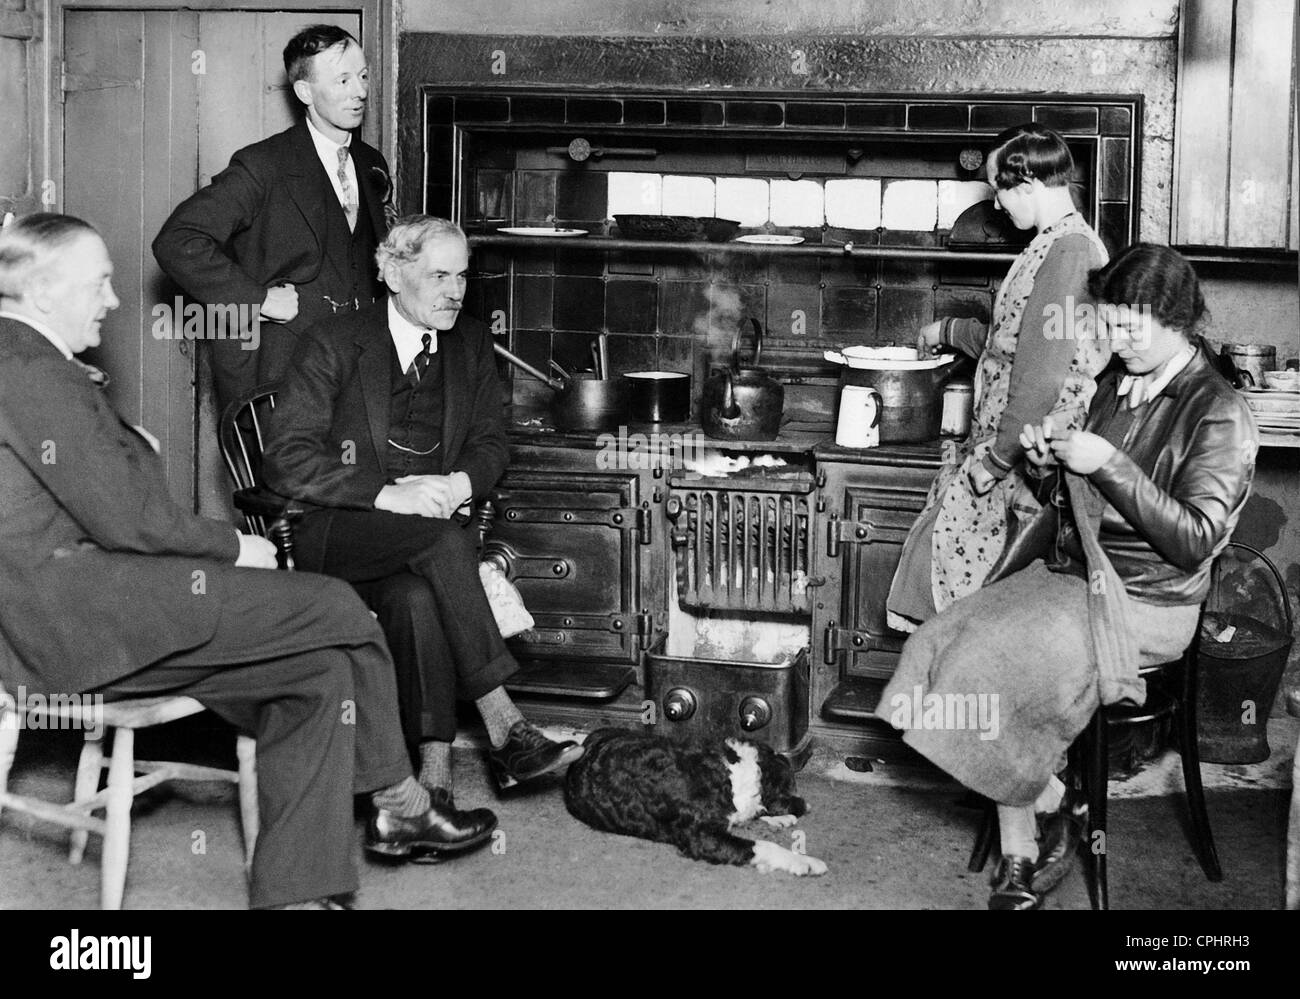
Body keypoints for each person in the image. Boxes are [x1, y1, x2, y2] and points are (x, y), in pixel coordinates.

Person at [0, 213, 496, 910]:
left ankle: (299, 892)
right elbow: (126, 519)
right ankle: (400, 796)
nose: (114, 300)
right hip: (71, 621)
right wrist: (237, 545)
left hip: (98, 603)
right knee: (335, 605)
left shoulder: (30, 359)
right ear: (46, 290)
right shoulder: (27, 366)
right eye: (101, 282)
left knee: (319, 674)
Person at [877, 244, 1257, 909]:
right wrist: (1045, 464)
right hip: (1078, 571)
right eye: (1110, 322)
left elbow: (1194, 541)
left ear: (1179, 320)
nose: (1116, 339)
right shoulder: (1117, 384)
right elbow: (1077, 500)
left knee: (994, 663)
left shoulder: (1218, 410)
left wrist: (1105, 460)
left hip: (1146, 599)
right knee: (937, 640)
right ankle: (1059, 796)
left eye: (1131, 326)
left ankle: (1020, 856)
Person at [262, 215, 583, 809]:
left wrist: (462, 480)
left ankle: (433, 787)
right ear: (391, 272)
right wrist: (386, 495)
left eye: (462, 276)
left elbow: (491, 441)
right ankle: (505, 724)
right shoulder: (333, 341)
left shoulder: (469, 344)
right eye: (438, 275)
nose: (455, 291)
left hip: (426, 546)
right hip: (338, 529)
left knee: (416, 598)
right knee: (437, 540)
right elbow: (284, 459)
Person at [887, 124, 1112, 631]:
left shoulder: (1068, 251)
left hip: (1026, 459)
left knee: (971, 611)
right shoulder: (1054, 243)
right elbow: (1011, 342)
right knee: (952, 595)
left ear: (1027, 185)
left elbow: (1043, 371)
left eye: (999, 192)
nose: (997, 207)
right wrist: (948, 329)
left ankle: (966, 704)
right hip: (1011, 451)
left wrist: (996, 459)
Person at [152, 24, 392, 416]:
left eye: (363, 76)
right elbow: (178, 240)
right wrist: (258, 299)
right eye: (344, 79)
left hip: (357, 369)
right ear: (305, 92)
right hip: (279, 370)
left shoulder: (371, 163)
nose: (360, 91)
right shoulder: (263, 165)